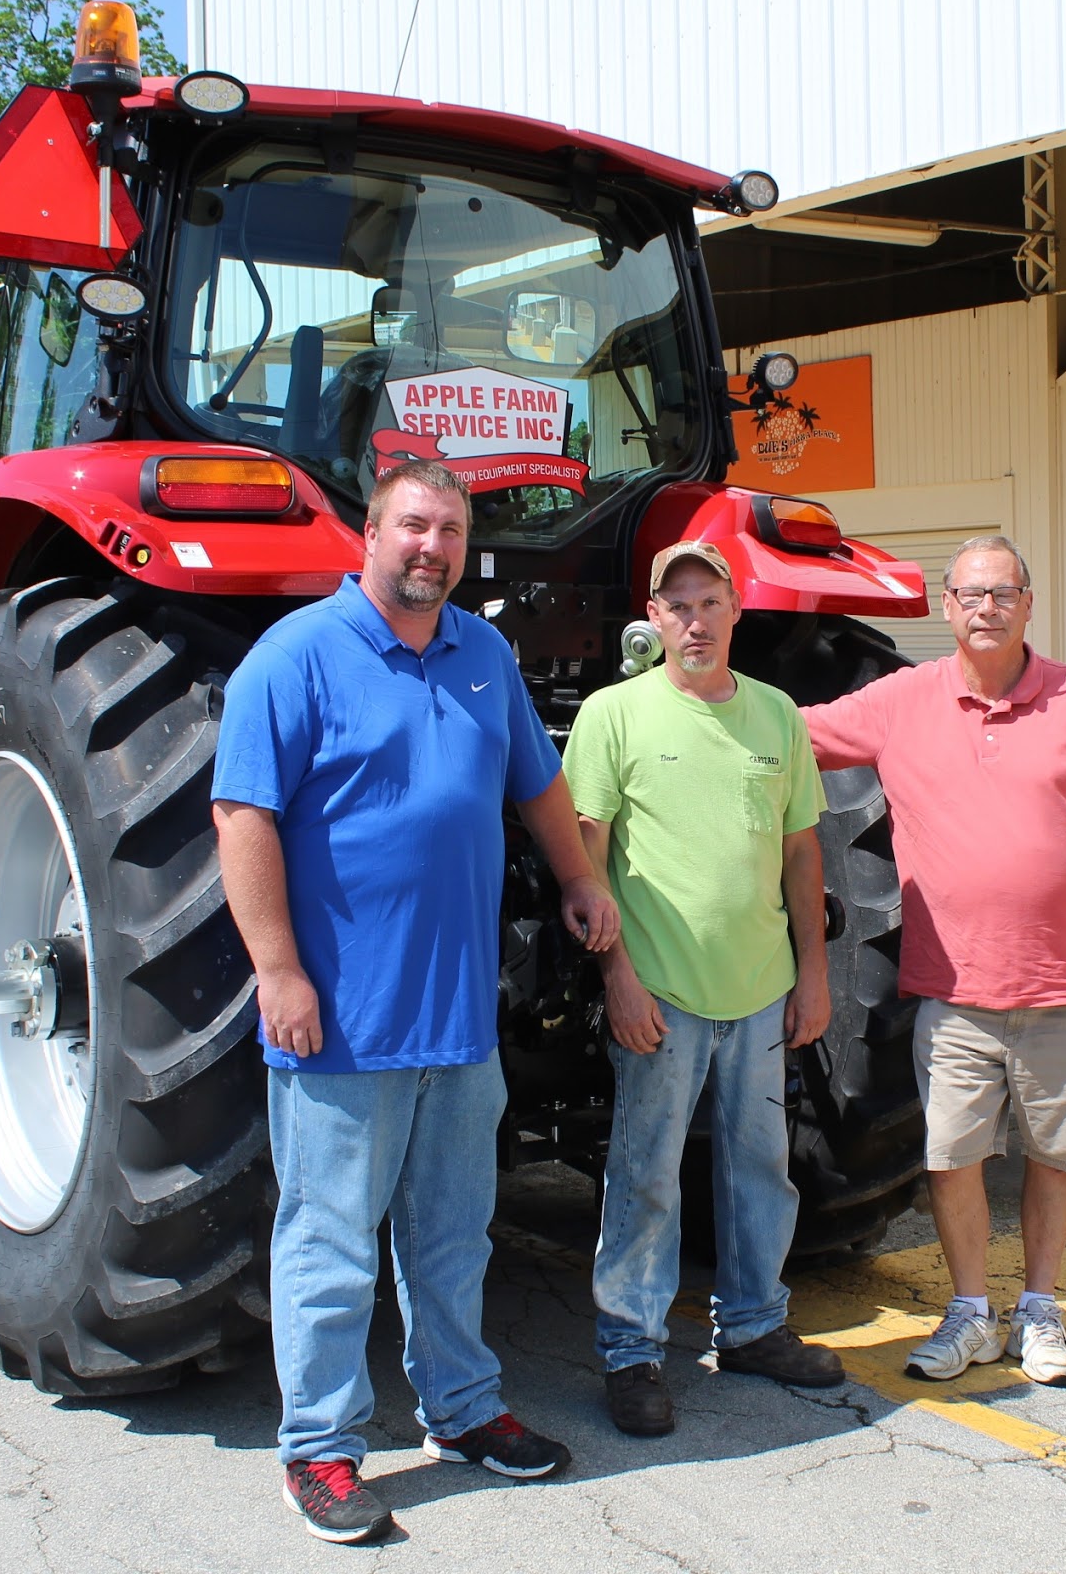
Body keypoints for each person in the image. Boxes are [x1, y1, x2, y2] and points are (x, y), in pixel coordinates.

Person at [211, 459, 619, 1544]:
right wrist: (279, 969)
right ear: (370, 535)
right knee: (331, 1241)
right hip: (341, 1019)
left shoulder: (483, 653)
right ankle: (322, 1449)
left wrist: (578, 876)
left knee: (453, 1233)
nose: (429, 546)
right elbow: (241, 816)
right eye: (411, 525)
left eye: (447, 530)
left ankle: (464, 1408)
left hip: (456, 1019)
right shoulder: (293, 658)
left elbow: (535, 780)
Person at [803, 535, 1066, 1387]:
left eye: (1002, 594)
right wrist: (689, 691)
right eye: (969, 595)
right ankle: (970, 1312)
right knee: (951, 1155)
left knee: (1057, 1153)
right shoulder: (902, 700)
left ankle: (1038, 1308)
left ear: (1028, 604)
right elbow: (788, 734)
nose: (985, 609)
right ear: (946, 607)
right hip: (954, 989)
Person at [563, 540, 846, 1439]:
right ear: (653, 618)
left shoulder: (776, 719)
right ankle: (632, 1349)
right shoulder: (614, 716)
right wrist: (618, 978)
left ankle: (755, 1324)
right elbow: (588, 858)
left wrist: (815, 975)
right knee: (645, 1174)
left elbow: (803, 855)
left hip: (762, 991)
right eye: (676, 604)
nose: (694, 620)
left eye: (709, 602)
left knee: (762, 1167)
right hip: (662, 993)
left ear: (735, 612)